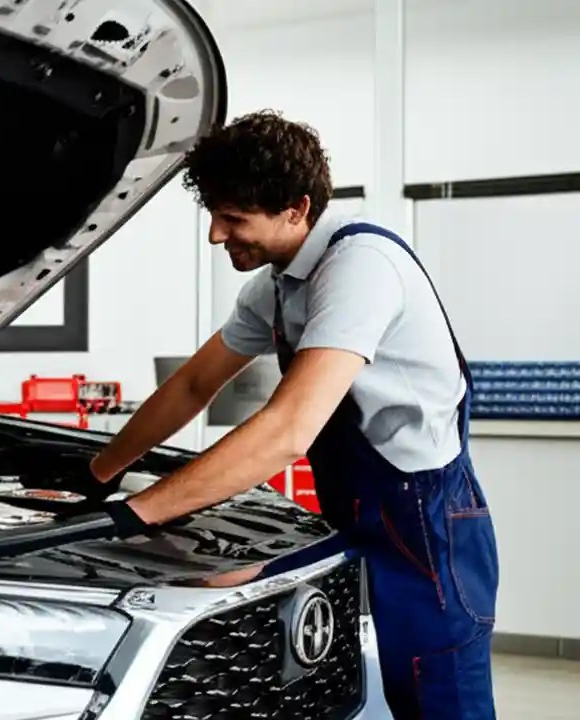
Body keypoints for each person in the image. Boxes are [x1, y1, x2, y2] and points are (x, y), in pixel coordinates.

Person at [89, 110, 499, 720]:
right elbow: (195, 383)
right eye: (214, 215)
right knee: (253, 618)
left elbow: (288, 431)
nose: (216, 236)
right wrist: (98, 473)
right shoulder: (278, 285)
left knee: (437, 700)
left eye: (233, 219)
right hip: (354, 514)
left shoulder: (361, 268)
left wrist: (137, 511)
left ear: (295, 209)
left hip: (427, 524)